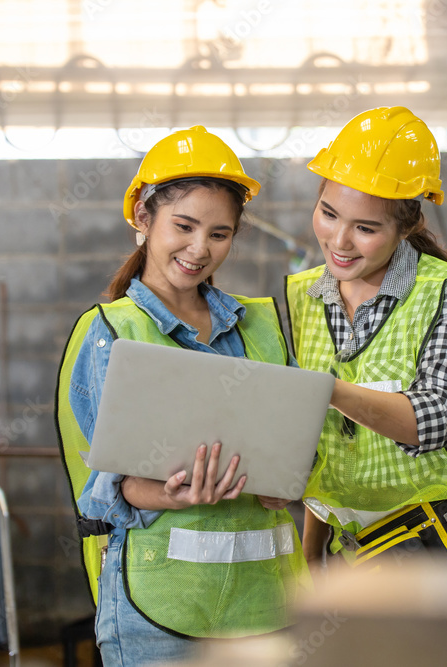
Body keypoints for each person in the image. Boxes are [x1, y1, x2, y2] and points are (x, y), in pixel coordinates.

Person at [56, 126, 309, 666]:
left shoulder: (262, 327)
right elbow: (109, 488)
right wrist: (176, 494)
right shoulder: (112, 331)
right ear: (143, 220)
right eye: (184, 226)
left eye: (219, 233)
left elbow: (295, 446)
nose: (200, 249)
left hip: (270, 605)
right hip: (160, 611)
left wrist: (283, 484)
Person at [285, 107, 447, 572]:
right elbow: (328, 444)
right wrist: (311, 551)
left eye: (365, 228)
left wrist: (327, 390)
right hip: (362, 552)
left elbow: (429, 422)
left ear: (406, 227)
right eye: (328, 213)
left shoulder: (445, 293)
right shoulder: (306, 297)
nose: (339, 241)